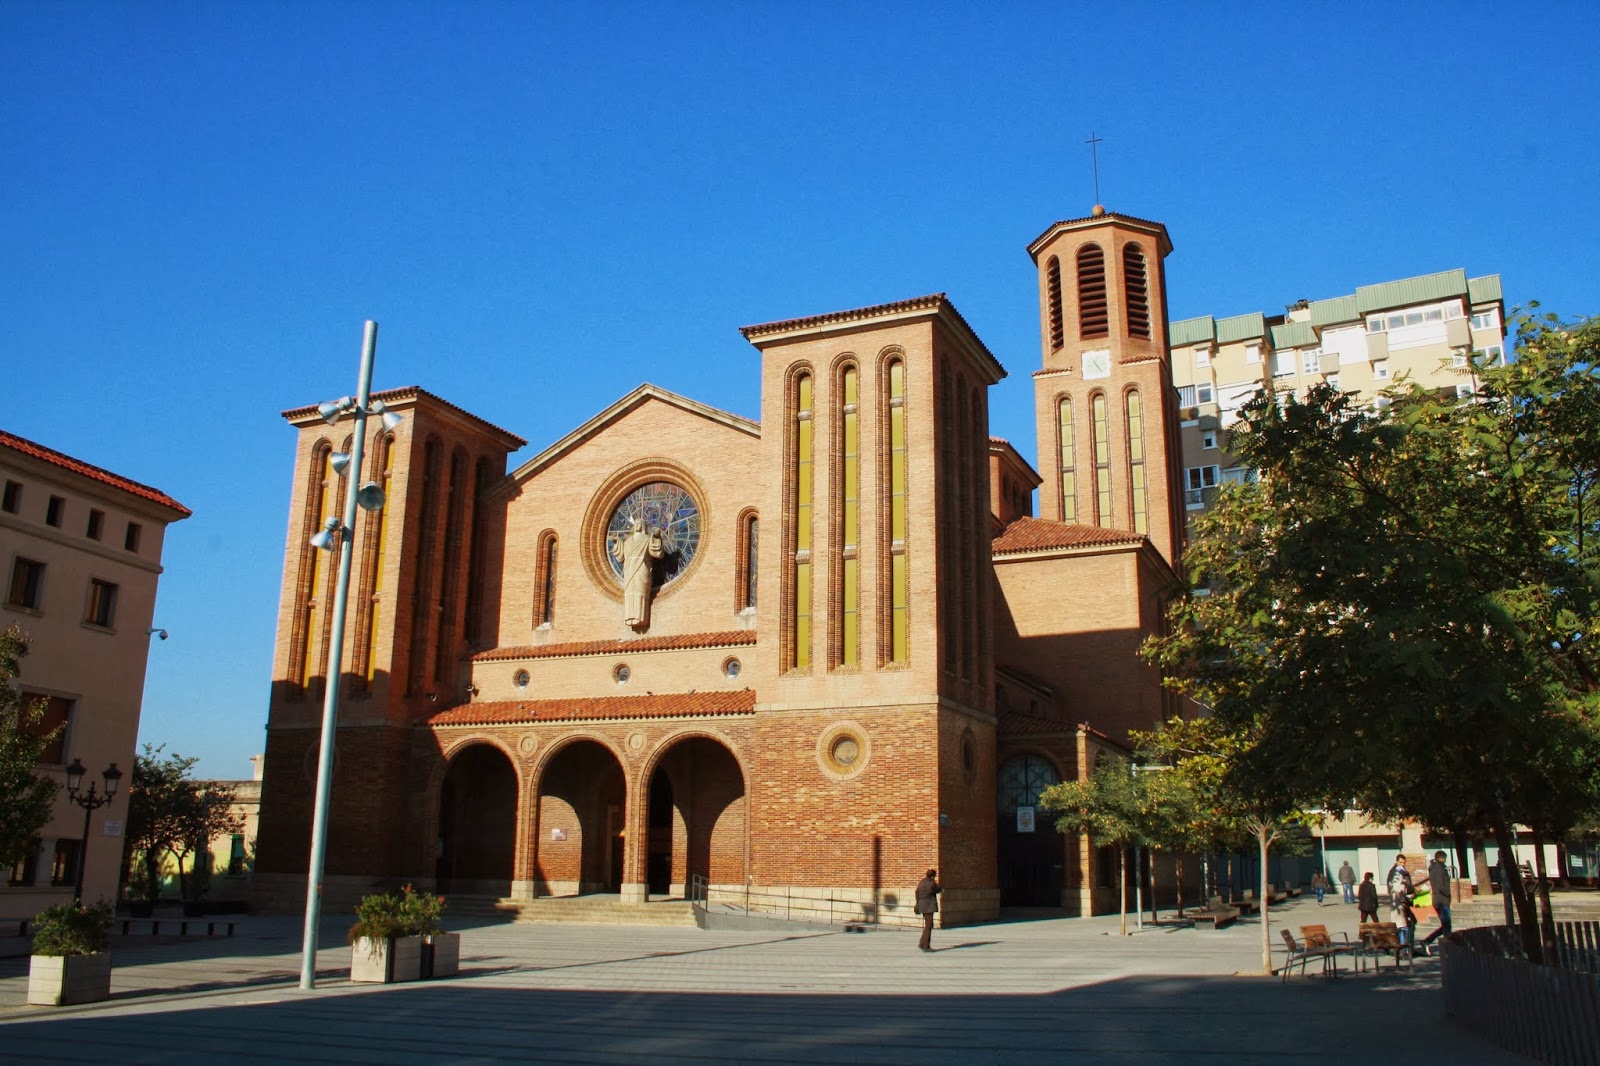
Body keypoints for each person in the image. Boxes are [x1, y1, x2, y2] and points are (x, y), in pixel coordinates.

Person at [612, 517, 664, 628]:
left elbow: (656, 552)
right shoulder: (628, 541)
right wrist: (617, 543)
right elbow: (621, 557)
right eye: (635, 523)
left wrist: (655, 537)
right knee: (630, 593)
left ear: (643, 526)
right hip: (629, 571)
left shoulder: (646, 539)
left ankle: (640, 617)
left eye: (639, 523)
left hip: (642, 569)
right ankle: (629, 616)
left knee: (640, 592)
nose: (636, 525)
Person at [1418, 850, 1454, 953]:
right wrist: (1447, 894)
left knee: (1445, 925)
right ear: (1441, 858)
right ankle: (1447, 947)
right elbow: (1440, 885)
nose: (1445, 860)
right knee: (1447, 925)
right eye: (1445, 858)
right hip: (1442, 900)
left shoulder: (1435, 868)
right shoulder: (1439, 869)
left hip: (1439, 900)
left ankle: (1428, 941)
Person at [915, 869, 941, 952]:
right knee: (929, 926)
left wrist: (918, 903)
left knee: (927, 925)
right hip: (929, 907)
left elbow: (917, 892)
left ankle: (922, 943)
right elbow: (939, 889)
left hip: (922, 906)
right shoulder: (932, 884)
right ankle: (926, 946)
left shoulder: (922, 882)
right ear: (932, 876)